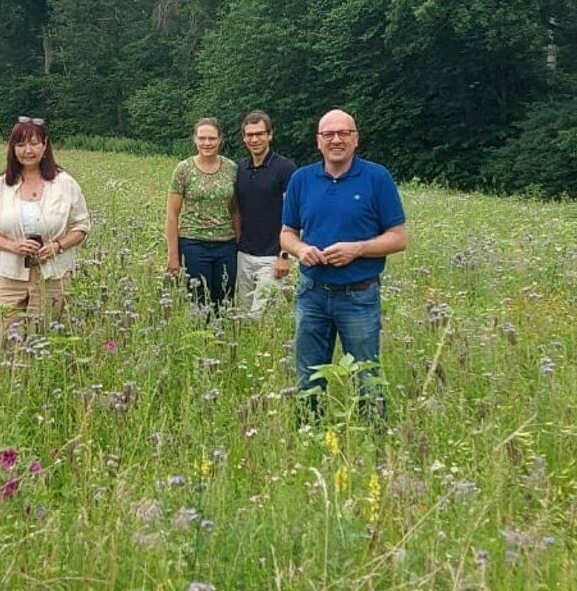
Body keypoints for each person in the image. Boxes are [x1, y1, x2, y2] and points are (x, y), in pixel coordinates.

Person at [279, 109, 407, 420]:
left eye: (344, 133)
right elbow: (286, 234)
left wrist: (358, 249)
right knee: (307, 376)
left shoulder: (377, 178)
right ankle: (310, 433)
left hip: (359, 297)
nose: (336, 139)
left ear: (356, 139)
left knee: (366, 376)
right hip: (312, 294)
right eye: (329, 134)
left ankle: (375, 441)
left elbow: (399, 238)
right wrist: (301, 249)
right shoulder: (302, 179)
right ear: (318, 142)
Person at [0, 117, 92, 351]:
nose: (27, 151)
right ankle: (2, 384)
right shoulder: (0, 186)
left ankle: (35, 385)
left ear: (45, 145)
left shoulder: (65, 184)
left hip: (52, 276)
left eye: (33, 143)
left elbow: (81, 226)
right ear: (12, 149)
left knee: (42, 341)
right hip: (8, 276)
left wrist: (57, 246)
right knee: (1, 341)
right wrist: (12, 246)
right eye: (20, 145)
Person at [165, 116, 238, 311]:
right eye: (202, 138)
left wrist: (240, 243)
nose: (207, 143)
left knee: (225, 303)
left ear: (220, 140)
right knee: (199, 304)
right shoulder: (183, 170)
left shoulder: (231, 169)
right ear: (195, 140)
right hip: (193, 244)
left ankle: (222, 340)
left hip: (226, 245)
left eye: (212, 138)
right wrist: (173, 256)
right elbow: (172, 214)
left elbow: (235, 210)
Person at [233, 110, 296, 316]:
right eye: (249, 135)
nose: (255, 139)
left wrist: (284, 255)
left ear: (270, 135)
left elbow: (294, 213)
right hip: (243, 254)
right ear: (243, 137)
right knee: (241, 316)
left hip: (272, 256)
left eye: (260, 134)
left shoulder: (285, 168)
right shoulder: (240, 169)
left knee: (258, 317)